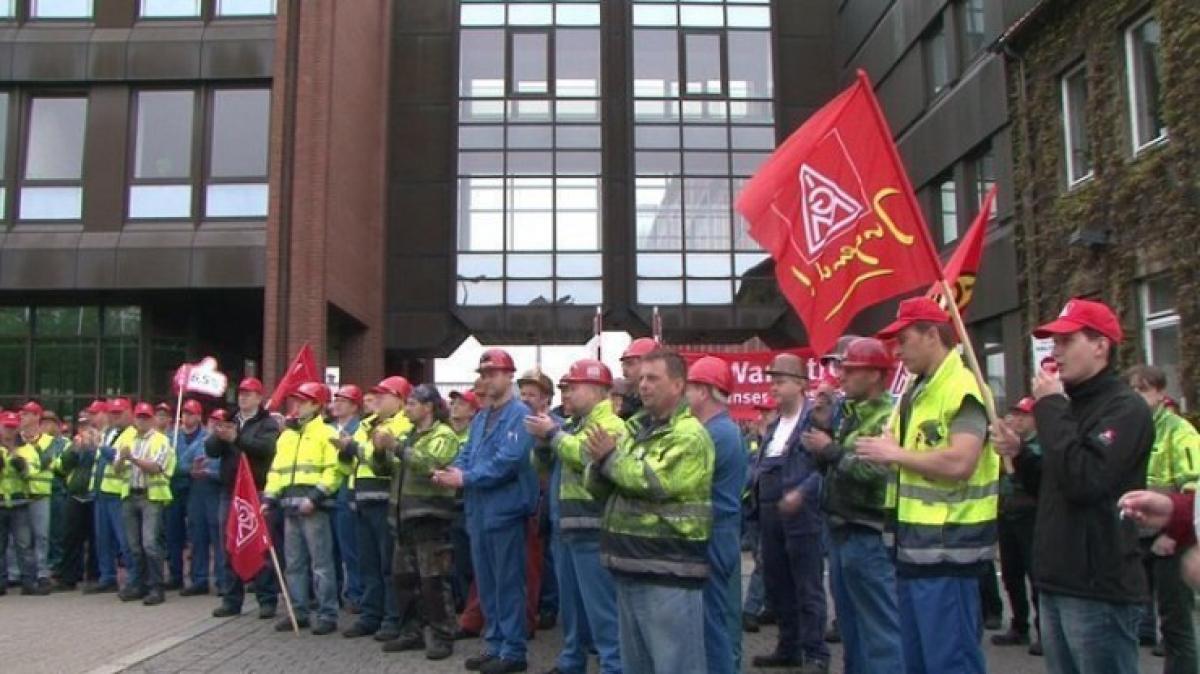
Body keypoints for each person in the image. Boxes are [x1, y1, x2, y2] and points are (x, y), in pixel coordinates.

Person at [992, 298, 1153, 674]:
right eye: (1054, 343)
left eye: (1067, 341)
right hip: (1057, 579)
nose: (1056, 352)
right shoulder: (1069, 406)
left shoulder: (1124, 408)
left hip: (1097, 586)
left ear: (1100, 346)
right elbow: (1055, 482)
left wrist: (1048, 408)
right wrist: (1022, 456)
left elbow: (1086, 480)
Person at [856, 297, 999, 674]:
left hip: (948, 552)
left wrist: (895, 454)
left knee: (950, 662)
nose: (897, 351)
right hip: (917, 551)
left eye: (903, 340)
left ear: (932, 335)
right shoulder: (919, 390)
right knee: (920, 662)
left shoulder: (961, 388)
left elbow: (961, 461)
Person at [584, 349, 715, 674]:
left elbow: (653, 481)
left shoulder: (690, 435)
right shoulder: (633, 428)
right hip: (630, 565)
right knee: (637, 666)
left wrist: (609, 460)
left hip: (668, 570)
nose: (643, 385)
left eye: (653, 378)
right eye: (641, 378)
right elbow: (598, 485)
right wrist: (601, 465)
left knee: (674, 665)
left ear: (678, 385)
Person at [434, 349, 538, 674]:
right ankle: (494, 644)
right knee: (488, 583)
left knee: (507, 582)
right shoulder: (481, 418)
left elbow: (507, 462)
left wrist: (464, 477)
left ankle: (513, 650)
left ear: (509, 377)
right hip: (480, 510)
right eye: (484, 373)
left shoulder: (520, 414)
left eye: (493, 373)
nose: (487, 379)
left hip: (504, 511)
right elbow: (468, 453)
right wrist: (452, 470)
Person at [804, 337, 904, 674]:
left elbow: (874, 472)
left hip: (868, 533)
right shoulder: (848, 413)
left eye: (849, 369)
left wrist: (830, 449)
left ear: (875, 374)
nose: (840, 376)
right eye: (839, 368)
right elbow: (832, 467)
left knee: (880, 630)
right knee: (851, 629)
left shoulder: (888, 417)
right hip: (841, 531)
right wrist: (821, 435)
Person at [525, 358, 624, 674]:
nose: (565, 394)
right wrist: (543, 445)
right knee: (572, 606)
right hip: (568, 525)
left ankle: (614, 666)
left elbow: (583, 456)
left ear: (598, 390)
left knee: (602, 609)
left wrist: (552, 435)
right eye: (564, 387)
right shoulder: (572, 425)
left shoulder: (611, 424)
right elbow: (543, 468)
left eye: (573, 387)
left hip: (593, 527)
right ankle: (571, 661)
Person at [750, 353, 830, 672]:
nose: (774, 387)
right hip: (771, 512)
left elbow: (824, 469)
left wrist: (802, 492)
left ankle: (815, 654)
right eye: (772, 381)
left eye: (780, 381)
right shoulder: (774, 425)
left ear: (800, 385)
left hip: (802, 516)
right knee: (777, 583)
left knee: (807, 585)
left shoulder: (814, 420)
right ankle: (789, 647)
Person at [372, 383, 461, 660]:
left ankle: (442, 635)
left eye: (412, 404)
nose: (407, 408)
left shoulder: (444, 434)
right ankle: (412, 631)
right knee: (404, 580)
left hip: (430, 518)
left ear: (428, 407)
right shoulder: (408, 435)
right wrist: (378, 451)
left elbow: (430, 463)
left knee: (433, 580)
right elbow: (382, 470)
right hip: (403, 518)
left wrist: (395, 447)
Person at [1127, 364, 1199, 673]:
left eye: (1143, 390)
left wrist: (1174, 534)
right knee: (1132, 614)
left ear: (1160, 393)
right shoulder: (1133, 428)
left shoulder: (1179, 430)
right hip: (1136, 533)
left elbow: (1193, 486)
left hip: (1170, 536)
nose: (1136, 397)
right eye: (1131, 390)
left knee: (1175, 623)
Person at [336, 377, 412, 642]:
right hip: (362, 501)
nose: (378, 399)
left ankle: (392, 618)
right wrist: (344, 453)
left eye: (385, 395)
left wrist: (353, 448)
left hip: (385, 503)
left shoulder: (403, 424)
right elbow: (349, 468)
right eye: (376, 394)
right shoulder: (366, 424)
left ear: (400, 400)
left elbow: (385, 460)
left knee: (389, 565)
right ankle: (371, 616)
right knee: (367, 564)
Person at [264, 382, 343, 634]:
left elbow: (334, 470)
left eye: (303, 401)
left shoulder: (327, 432)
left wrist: (316, 497)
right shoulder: (287, 435)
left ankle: (327, 614)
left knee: (320, 563)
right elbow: (276, 470)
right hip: (289, 507)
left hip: (314, 507)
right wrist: (268, 498)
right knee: (294, 563)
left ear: (317, 405)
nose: (296, 405)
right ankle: (298, 612)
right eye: (296, 400)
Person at [687, 356, 748, 674]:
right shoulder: (719, 429)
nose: (686, 393)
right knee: (711, 619)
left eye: (691, 387)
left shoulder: (717, 433)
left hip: (714, 532)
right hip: (717, 530)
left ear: (705, 391)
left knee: (713, 623)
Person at [207, 396, 282, 618]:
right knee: (230, 545)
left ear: (258, 398)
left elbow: (266, 449)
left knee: (260, 545)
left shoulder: (267, 423)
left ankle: (267, 599)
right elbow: (211, 451)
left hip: (255, 491)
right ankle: (231, 600)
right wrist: (218, 434)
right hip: (230, 492)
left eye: (248, 393)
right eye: (240, 392)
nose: (242, 397)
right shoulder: (231, 419)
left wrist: (236, 438)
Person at [990, 396, 1044, 656]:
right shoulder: (1005, 445)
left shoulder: (1039, 446)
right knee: (1011, 574)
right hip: (1007, 511)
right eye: (1015, 414)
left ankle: (1044, 630)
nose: (1018, 419)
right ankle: (1018, 625)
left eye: (1024, 415)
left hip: (1030, 514)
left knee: (1036, 573)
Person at [112, 402, 175, 606]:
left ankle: (156, 587)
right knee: (134, 546)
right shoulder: (126, 439)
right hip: (129, 495)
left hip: (151, 496)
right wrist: (121, 459)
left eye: (146, 417)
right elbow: (117, 469)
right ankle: (138, 585)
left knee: (150, 543)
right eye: (139, 417)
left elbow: (157, 467)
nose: (142, 421)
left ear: (152, 420)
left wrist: (133, 458)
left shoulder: (161, 441)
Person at [87, 398, 137, 595]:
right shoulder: (109, 432)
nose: (115, 416)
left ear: (129, 412)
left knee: (125, 540)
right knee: (103, 539)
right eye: (113, 413)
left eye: (119, 412)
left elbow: (119, 457)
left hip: (118, 493)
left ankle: (133, 578)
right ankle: (107, 577)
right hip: (101, 492)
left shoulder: (133, 433)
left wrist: (101, 446)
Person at [54, 404, 102, 591]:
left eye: (88, 423)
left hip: (94, 495)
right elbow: (61, 466)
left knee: (95, 539)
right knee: (70, 538)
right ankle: (68, 578)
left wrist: (95, 446)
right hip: (75, 495)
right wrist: (74, 450)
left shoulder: (103, 439)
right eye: (82, 425)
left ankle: (94, 577)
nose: (85, 429)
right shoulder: (71, 443)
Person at [178, 400, 221, 596]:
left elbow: (231, 471)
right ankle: (199, 579)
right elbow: (181, 464)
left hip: (216, 493)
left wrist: (210, 472)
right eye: (214, 421)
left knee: (218, 538)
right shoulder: (201, 442)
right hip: (197, 493)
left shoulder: (228, 445)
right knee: (197, 536)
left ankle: (222, 580)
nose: (216, 425)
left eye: (220, 422)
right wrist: (192, 470)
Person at [329, 384, 366, 615]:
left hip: (347, 491)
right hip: (327, 492)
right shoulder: (326, 428)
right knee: (331, 549)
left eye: (343, 400)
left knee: (351, 549)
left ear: (354, 405)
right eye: (336, 399)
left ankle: (356, 594)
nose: (337, 404)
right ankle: (334, 594)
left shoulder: (360, 429)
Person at [17, 401, 55, 594]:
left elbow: (49, 462)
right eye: (22, 414)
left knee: (41, 536)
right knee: (23, 539)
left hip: (40, 494)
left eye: (27, 414)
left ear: (36, 417)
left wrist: (34, 445)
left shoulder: (48, 440)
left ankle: (42, 574)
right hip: (20, 495)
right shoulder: (15, 439)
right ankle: (25, 575)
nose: (23, 417)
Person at [0, 411, 39, 595]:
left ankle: (28, 582)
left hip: (19, 502)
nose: (9, 431)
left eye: (12, 427)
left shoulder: (26, 448)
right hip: (1, 502)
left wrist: (22, 466)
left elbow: (32, 473)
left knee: (24, 545)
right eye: (6, 426)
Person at [39, 410, 71, 588]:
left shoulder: (64, 443)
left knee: (57, 533)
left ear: (57, 425)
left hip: (59, 492)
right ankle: (45, 568)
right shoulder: (38, 442)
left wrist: (49, 463)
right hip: (40, 492)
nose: (46, 426)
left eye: (50, 422)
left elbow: (63, 465)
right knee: (44, 534)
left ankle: (57, 568)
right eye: (43, 422)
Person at [616, 338, 658, 420]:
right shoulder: (627, 406)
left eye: (630, 363)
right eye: (623, 365)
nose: (624, 371)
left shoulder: (662, 409)